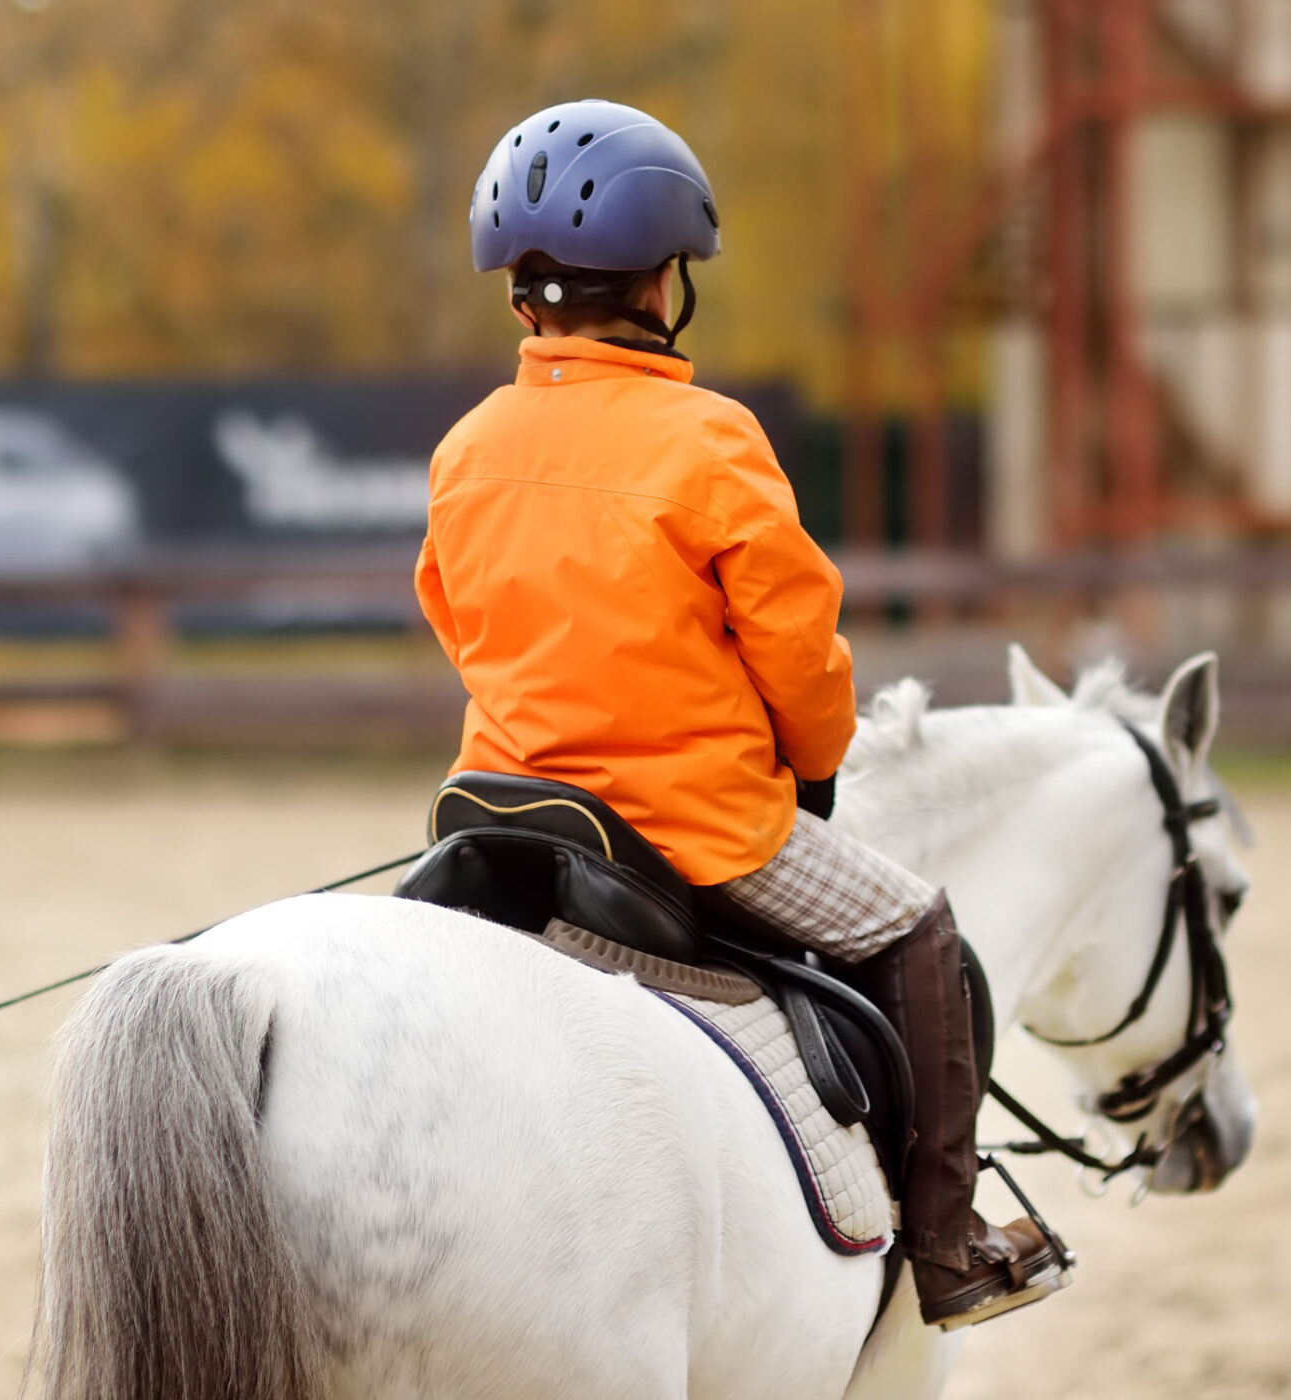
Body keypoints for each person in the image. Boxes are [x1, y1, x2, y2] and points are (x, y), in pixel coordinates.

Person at [413, 99, 1065, 1331]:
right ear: (665, 283)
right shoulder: (710, 440)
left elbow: (457, 620)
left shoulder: (464, 448)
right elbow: (802, 661)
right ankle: (949, 1243)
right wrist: (809, 766)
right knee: (917, 924)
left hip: (502, 807)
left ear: (518, 296)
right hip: (688, 824)